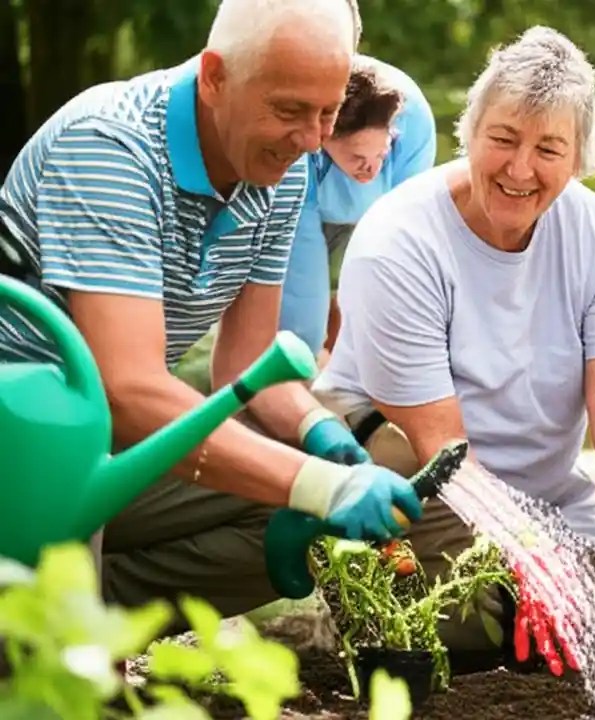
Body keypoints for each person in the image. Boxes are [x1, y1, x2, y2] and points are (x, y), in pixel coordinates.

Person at [0, 0, 425, 621]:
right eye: (288, 111)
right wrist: (316, 485)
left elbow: (246, 364)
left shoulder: (280, 167)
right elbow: (129, 391)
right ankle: (54, 610)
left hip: (97, 443)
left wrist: (322, 439)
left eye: (327, 113)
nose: (310, 140)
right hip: (27, 435)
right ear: (215, 77)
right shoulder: (110, 148)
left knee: (311, 489)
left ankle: (91, 604)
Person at [311, 26, 595, 663]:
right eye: (503, 139)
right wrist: (523, 556)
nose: (519, 168)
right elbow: (439, 445)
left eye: (549, 149)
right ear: (470, 132)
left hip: (542, 500)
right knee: (485, 635)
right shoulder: (401, 240)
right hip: (413, 477)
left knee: (594, 633)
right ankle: (357, 601)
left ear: (580, 158)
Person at [278, 53, 437, 359]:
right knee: (297, 317)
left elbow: (405, 233)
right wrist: (302, 353)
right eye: (357, 158)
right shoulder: (301, 146)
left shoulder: (414, 127)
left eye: (380, 154)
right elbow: (303, 277)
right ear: (324, 140)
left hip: (378, 211)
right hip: (305, 211)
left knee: (375, 301)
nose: (371, 169)